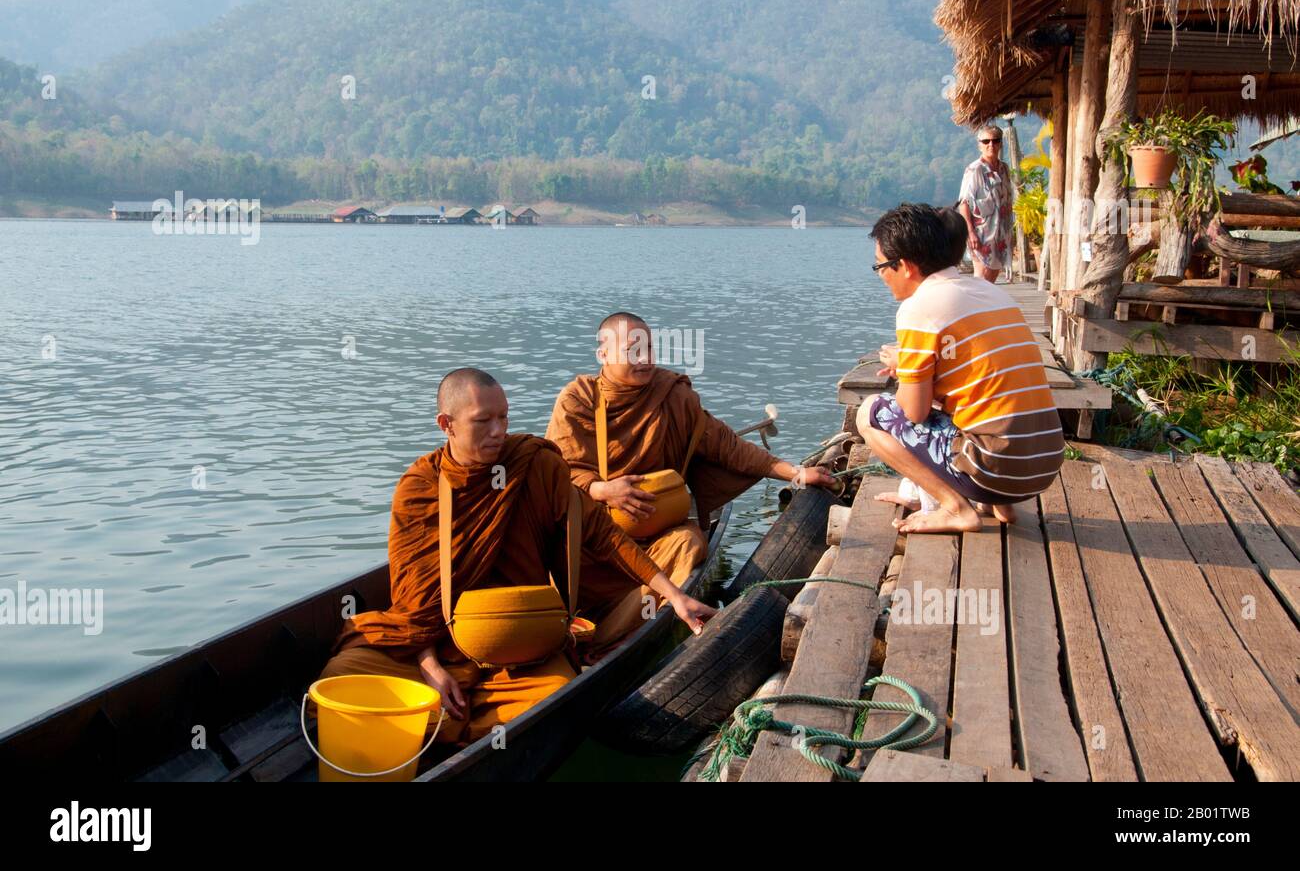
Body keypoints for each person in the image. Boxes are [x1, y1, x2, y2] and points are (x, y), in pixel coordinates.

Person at [315, 367, 716, 745]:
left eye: (504, 418)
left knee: (556, 693)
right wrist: (431, 667)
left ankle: (443, 720)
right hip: (441, 646)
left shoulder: (533, 465)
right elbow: (413, 603)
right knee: (342, 671)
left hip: (517, 650)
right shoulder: (419, 488)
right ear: (446, 424)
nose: (497, 431)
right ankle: (451, 709)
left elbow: (604, 535)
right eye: (483, 421)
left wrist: (675, 596)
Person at [546, 312, 836, 649]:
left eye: (649, 349)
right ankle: (570, 629)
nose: (644, 359)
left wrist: (798, 474)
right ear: (603, 355)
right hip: (596, 541)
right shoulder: (578, 399)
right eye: (631, 350)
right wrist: (601, 489)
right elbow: (556, 472)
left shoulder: (671, 394)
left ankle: (610, 640)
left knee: (691, 543)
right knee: (556, 557)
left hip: (657, 537)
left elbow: (726, 447)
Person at [858, 204, 1065, 534]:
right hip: (1044, 465)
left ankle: (955, 509)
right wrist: (910, 365)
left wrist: (907, 371)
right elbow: (979, 374)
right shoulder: (991, 292)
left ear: (906, 266)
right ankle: (1002, 505)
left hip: (996, 468)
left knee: (871, 413)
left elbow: (914, 412)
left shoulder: (918, 308)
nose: (881, 276)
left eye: (881, 266)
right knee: (982, 398)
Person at [957, 123, 1014, 283]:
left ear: (1001, 143)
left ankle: (986, 307)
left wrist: (1011, 233)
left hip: (1001, 234)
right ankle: (975, 307)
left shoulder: (1004, 169)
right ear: (979, 145)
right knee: (981, 279)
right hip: (981, 234)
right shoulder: (974, 170)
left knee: (992, 278)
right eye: (986, 141)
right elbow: (964, 203)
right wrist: (970, 232)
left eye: (995, 141)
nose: (991, 145)